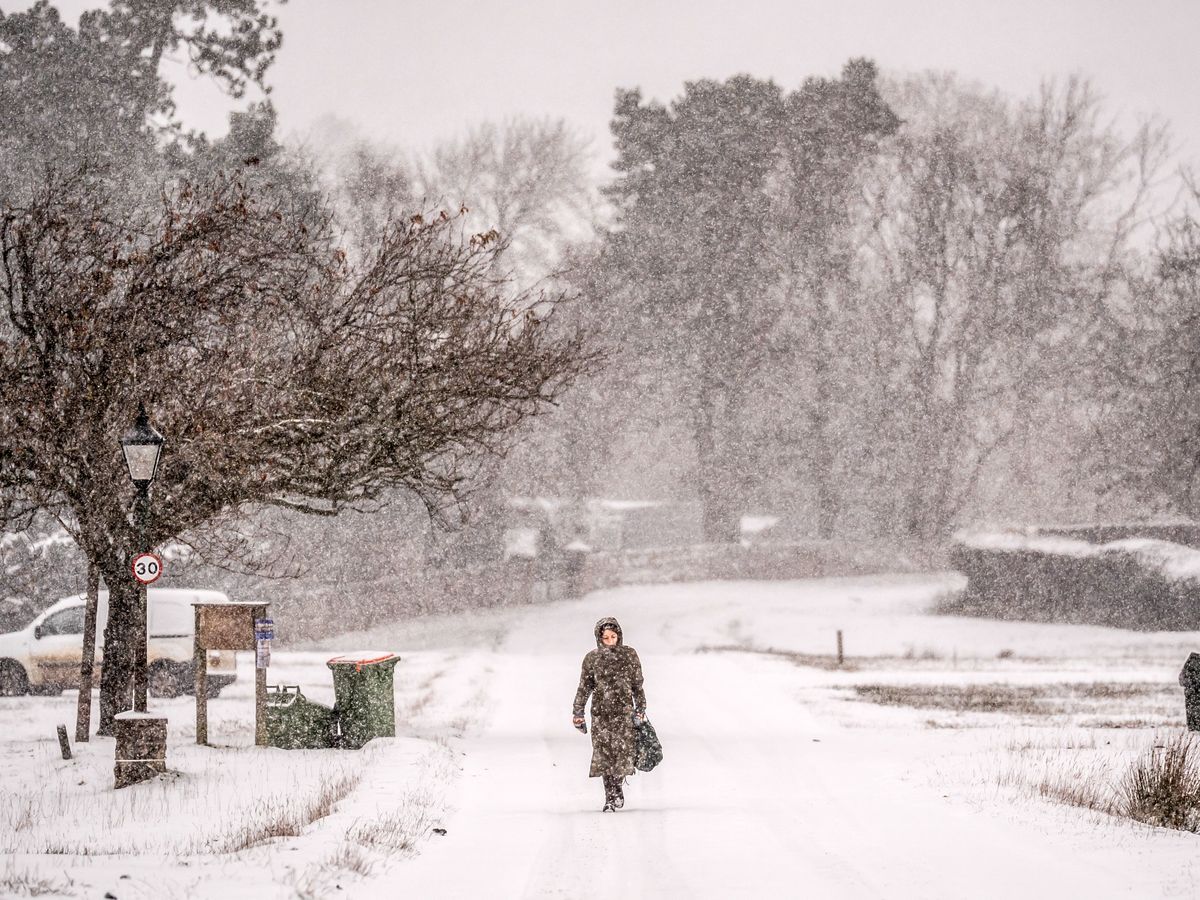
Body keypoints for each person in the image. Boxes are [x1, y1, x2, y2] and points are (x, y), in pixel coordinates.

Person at [572, 616, 647, 812]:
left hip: (623, 714)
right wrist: (578, 712)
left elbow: (637, 685)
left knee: (622, 753)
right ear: (599, 638)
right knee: (604, 755)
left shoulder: (629, 655)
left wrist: (640, 709)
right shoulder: (592, 659)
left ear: (619, 636)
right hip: (600, 714)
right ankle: (610, 796)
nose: (610, 641)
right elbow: (584, 687)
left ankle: (618, 788)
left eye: (613, 636)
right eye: (606, 638)